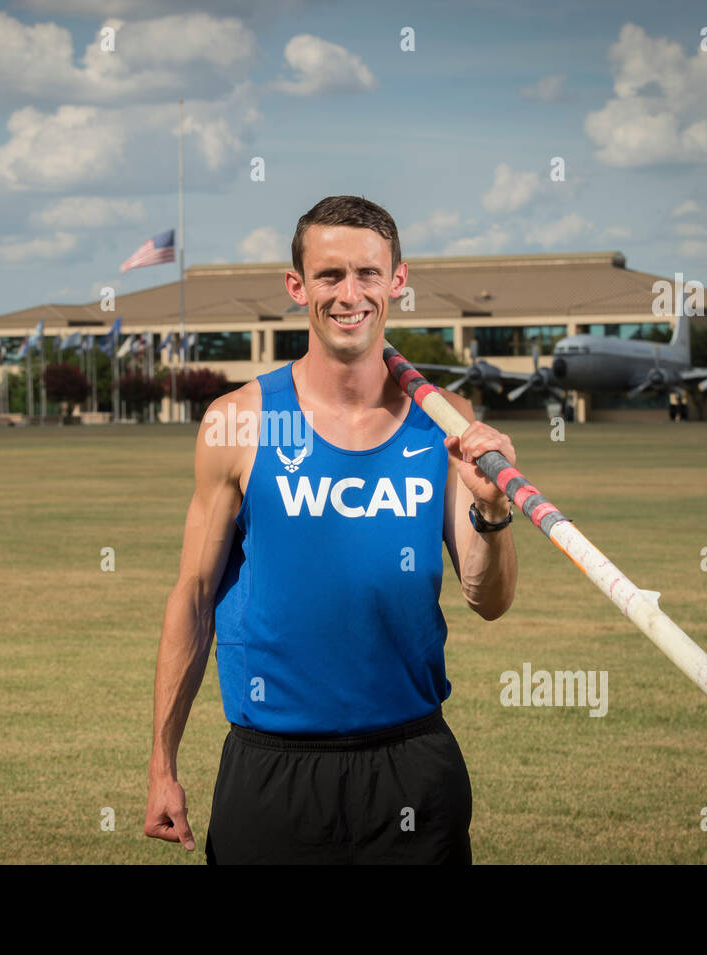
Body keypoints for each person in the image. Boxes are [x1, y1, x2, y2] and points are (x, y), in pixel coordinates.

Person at [143, 195, 518, 864]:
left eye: (369, 274)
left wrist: (490, 511)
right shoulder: (239, 421)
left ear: (398, 281)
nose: (351, 294)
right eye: (330, 275)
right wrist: (161, 765)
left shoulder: (449, 425)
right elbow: (193, 597)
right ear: (298, 288)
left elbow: (487, 600)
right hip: (272, 771)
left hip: (411, 765)